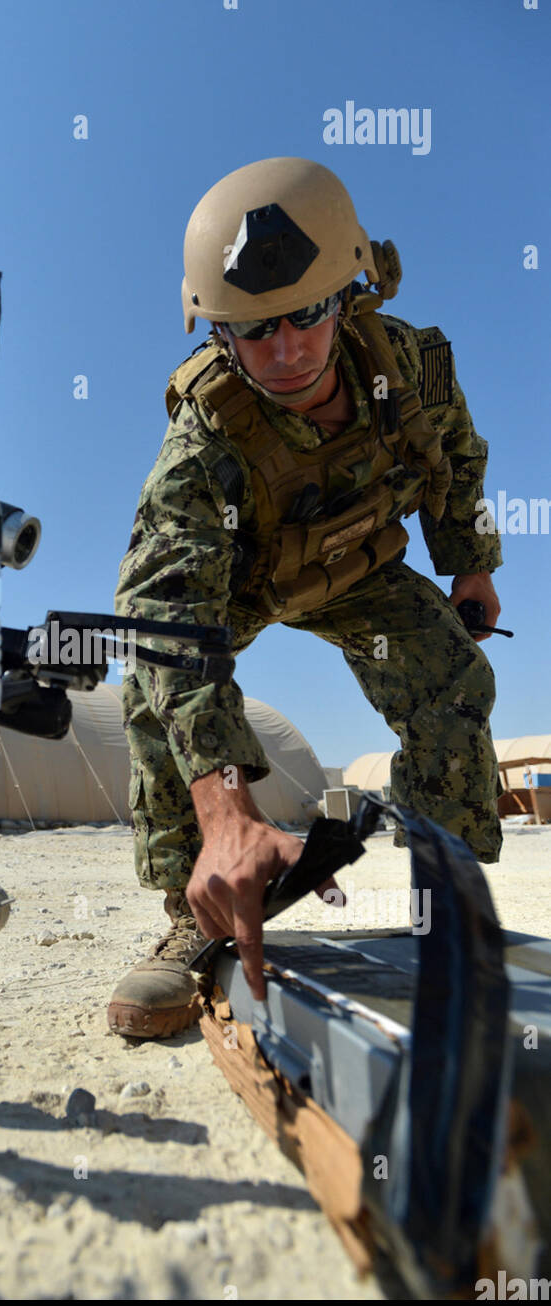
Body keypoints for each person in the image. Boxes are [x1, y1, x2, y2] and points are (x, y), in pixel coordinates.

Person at [107, 157, 502, 1039]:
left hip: (358, 568)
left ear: (353, 292)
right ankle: (197, 908)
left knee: (452, 677)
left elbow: (459, 455)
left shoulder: (407, 363)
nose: (285, 350)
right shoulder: (204, 440)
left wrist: (470, 564)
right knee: (153, 688)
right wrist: (226, 810)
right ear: (214, 331)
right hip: (241, 585)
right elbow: (167, 618)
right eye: (252, 330)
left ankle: (452, 903)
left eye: (306, 315)